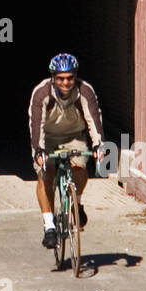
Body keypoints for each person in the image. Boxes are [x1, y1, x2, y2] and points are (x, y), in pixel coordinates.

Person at [28, 53, 104, 249]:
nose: (66, 82)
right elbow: (36, 124)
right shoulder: (41, 93)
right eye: (61, 78)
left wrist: (98, 145)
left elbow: (93, 120)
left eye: (70, 77)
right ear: (53, 77)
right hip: (48, 138)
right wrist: (39, 151)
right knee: (46, 173)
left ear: (75, 76)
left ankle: (75, 203)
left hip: (74, 136)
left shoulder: (84, 91)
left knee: (79, 168)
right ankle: (49, 226)